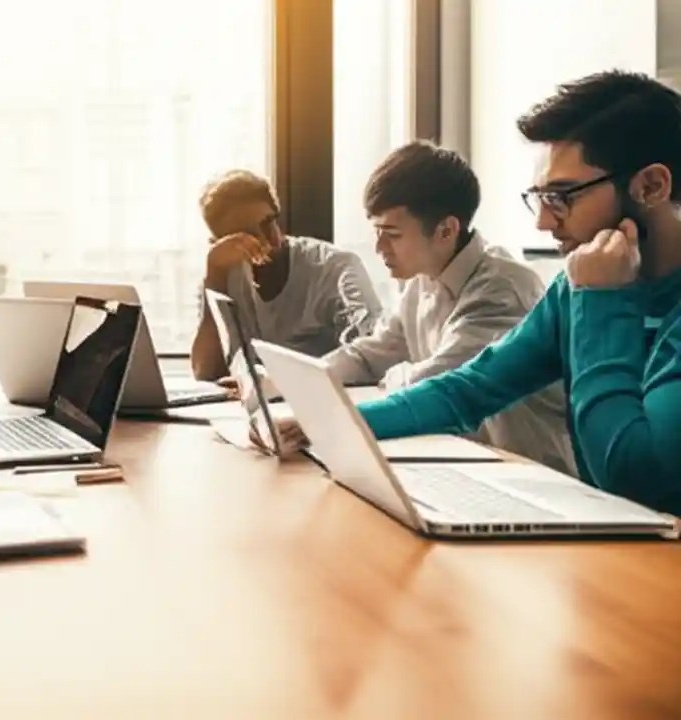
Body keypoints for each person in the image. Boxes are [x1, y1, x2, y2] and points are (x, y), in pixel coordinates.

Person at [273, 71, 681, 515]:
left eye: (563, 197)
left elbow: (635, 479)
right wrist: (326, 424)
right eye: (540, 197)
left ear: (651, 187)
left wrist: (603, 301)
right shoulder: (577, 288)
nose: (543, 222)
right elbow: (470, 389)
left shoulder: (592, 288)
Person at [321, 141, 574, 472]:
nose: (379, 247)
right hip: (464, 461)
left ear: (446, 230)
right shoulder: (421, 280)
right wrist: (275, 383)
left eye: (391, 234)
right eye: (376, 231)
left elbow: (437, 387)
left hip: (531, 474)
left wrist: (395, 375)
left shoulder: (501, 291)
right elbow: (369, 356)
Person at [191, 169, 382, 381]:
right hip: (258, 407)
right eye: (248, 234)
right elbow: (205, 372)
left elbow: (370, 350)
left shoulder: (335, 268)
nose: (270, 239)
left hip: (326, 400)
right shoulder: (223, 274)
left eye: (269, 222)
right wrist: (215, 277)